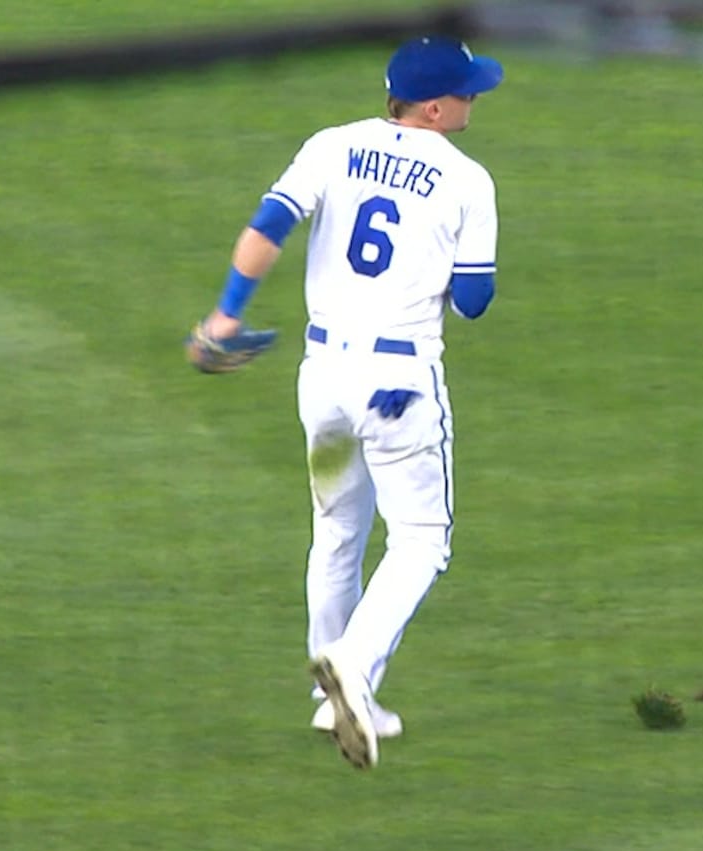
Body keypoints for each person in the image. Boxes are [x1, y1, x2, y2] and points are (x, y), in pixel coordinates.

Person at [191, 35, 503, 770]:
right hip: (398, 390)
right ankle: (352, 671)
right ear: (433, 107)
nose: (474, 99)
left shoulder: (333, 146)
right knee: (422, 539)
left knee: (337, 530)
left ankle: (334, 699)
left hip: (323, 381)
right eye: (466, 91)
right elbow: (475, 299)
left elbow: (270, 223)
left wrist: (226, 315)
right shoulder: (467, 180)